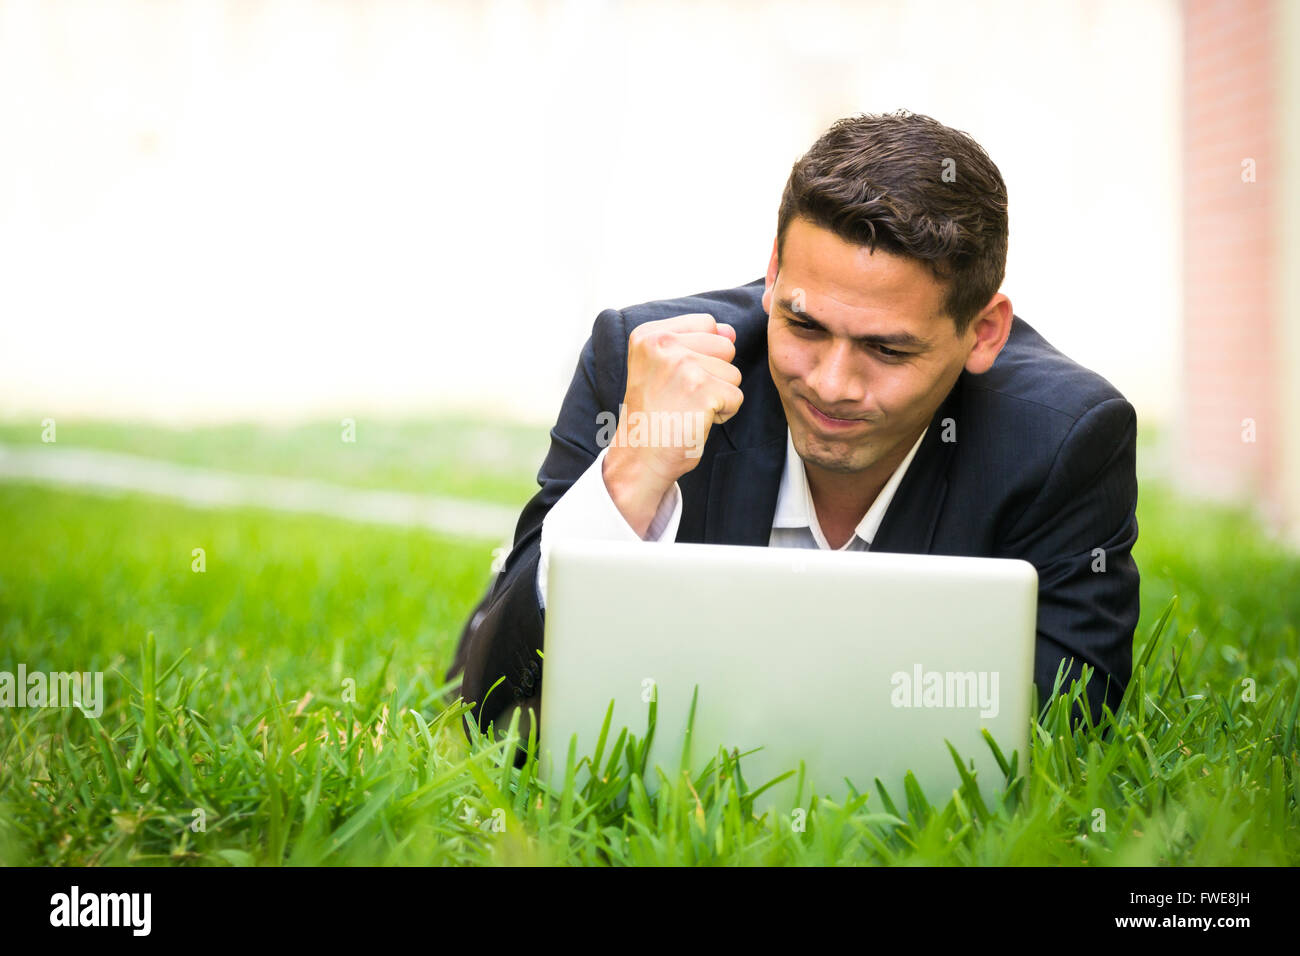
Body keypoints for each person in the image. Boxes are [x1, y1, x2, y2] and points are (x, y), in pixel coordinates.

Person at [445, 110, 1139, 758]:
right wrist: (628, 477)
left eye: (887, 350)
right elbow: (485, 695)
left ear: (983, 333)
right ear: (774, 276)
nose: (832, 383)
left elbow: (1067, 724)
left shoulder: (1062, 441)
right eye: (804, 326)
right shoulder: (643, 361)